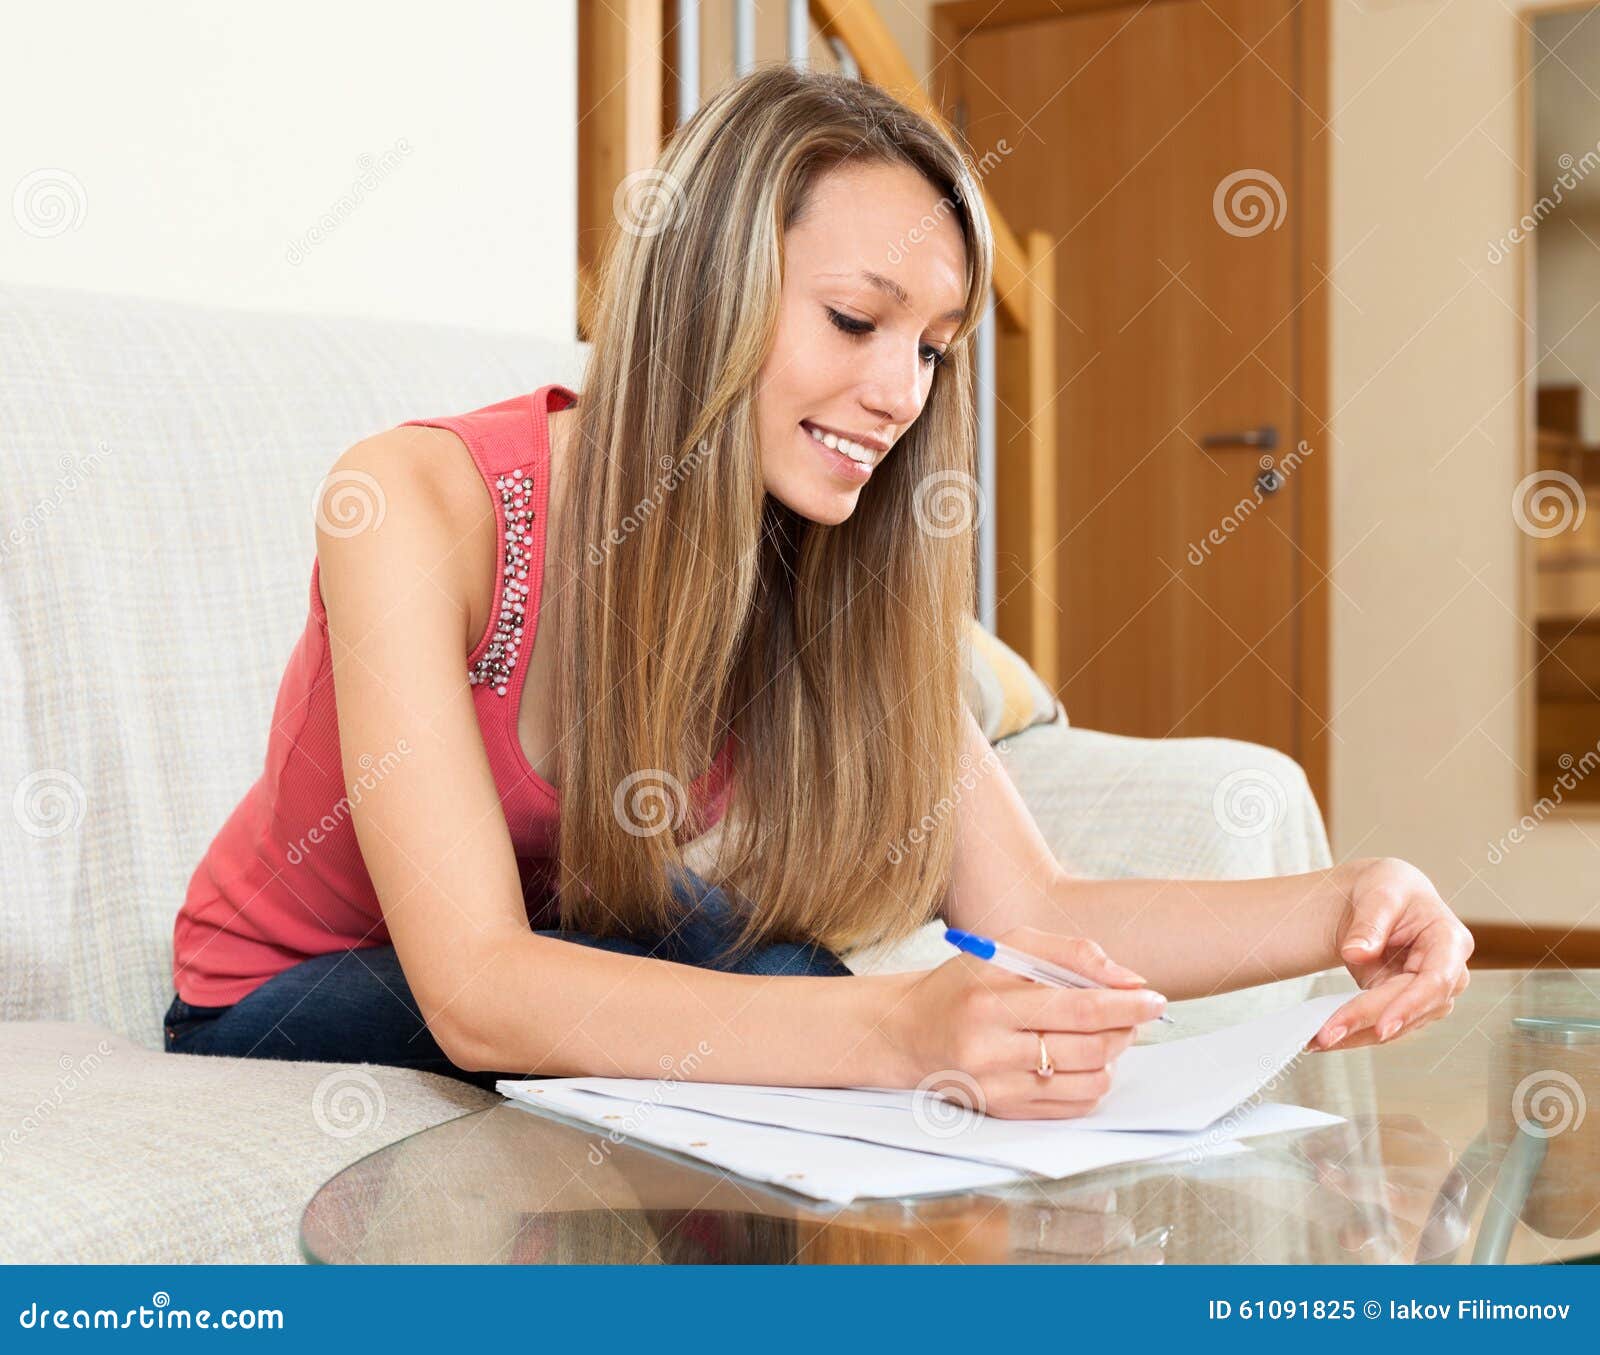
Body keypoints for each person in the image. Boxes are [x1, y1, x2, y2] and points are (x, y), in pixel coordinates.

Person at [164, 65, 1472, 1114]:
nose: (901, 394)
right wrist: (898, 1030)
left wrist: (1350, 903)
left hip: (572, 947)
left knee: (785, 976)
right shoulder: (415, 502)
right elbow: (478, 990)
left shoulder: (811, 549)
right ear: (706, 294)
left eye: (932, 348)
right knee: (807, 990)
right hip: (284, 988)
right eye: (856, 320)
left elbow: (1035, 912)